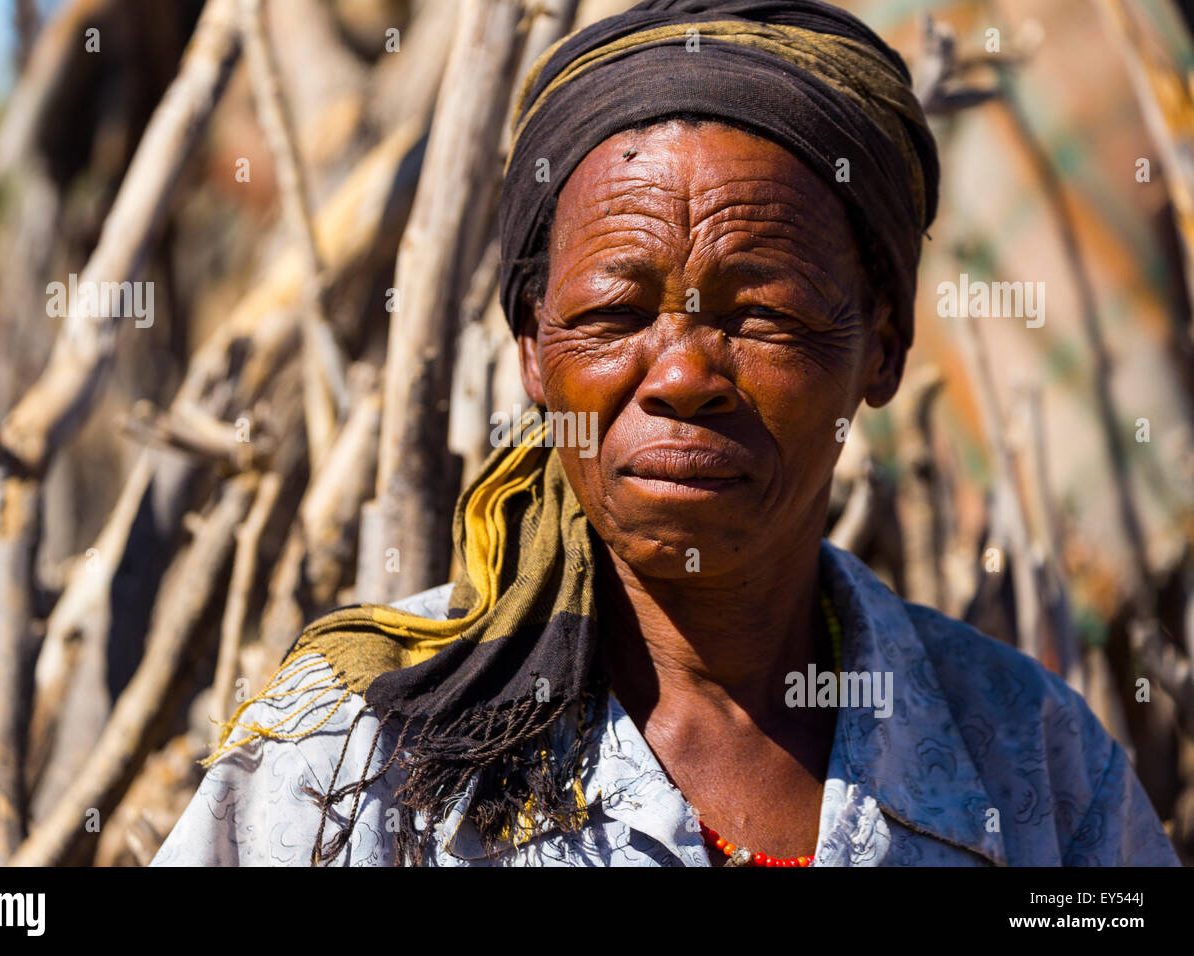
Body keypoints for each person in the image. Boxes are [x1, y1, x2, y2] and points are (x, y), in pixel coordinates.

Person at [153, 0, 1180, 867]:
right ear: (531, 348)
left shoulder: (1032, 765)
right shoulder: (355, 753)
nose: (684, 373)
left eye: (761, 314)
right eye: (611, 314)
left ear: (883, 350)